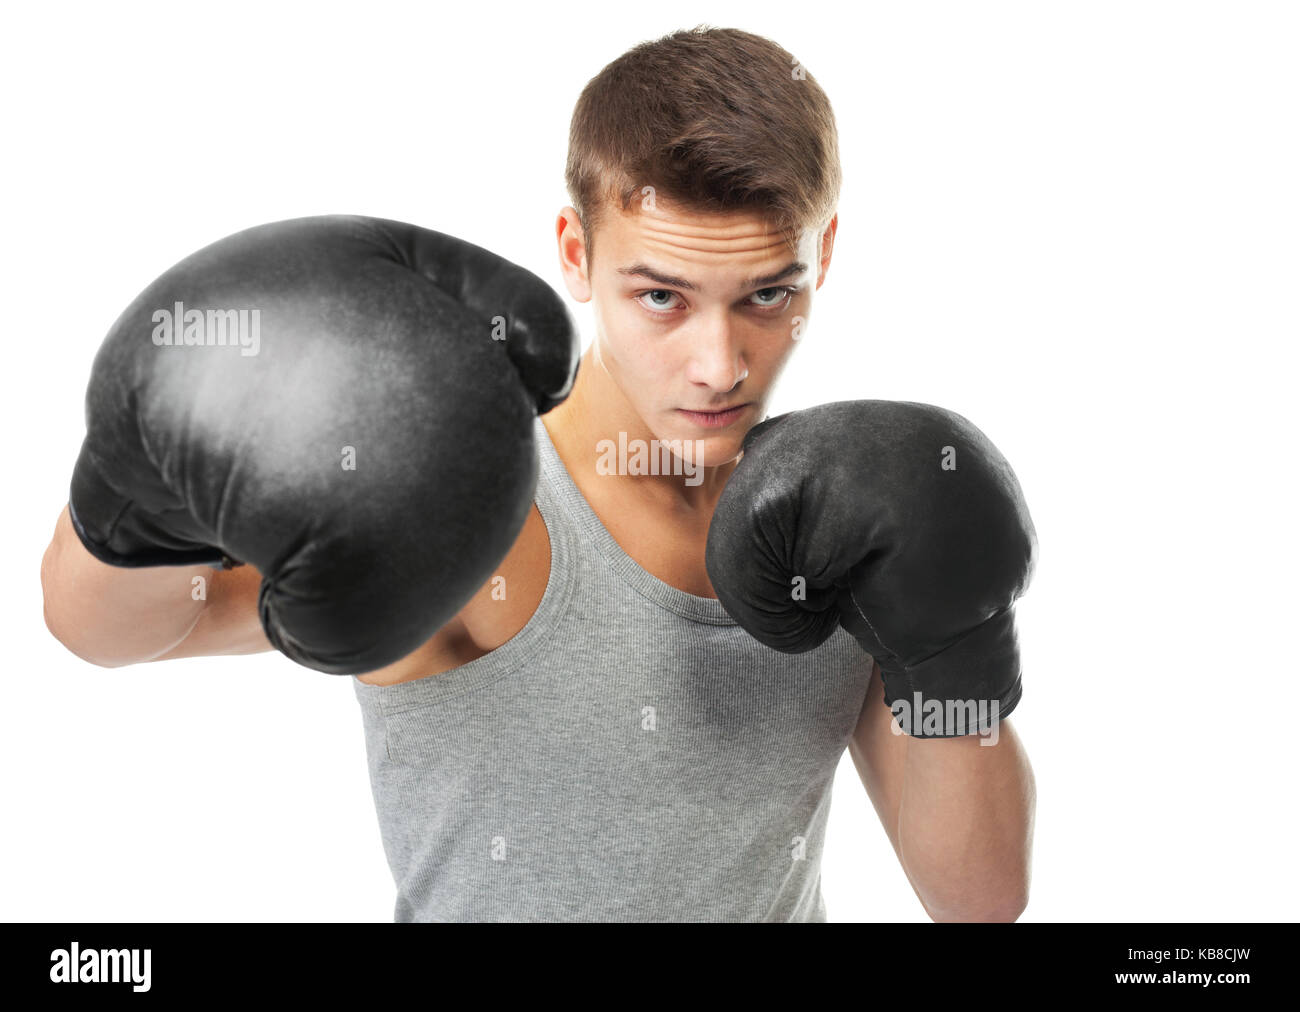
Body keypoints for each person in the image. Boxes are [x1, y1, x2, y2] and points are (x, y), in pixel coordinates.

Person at [41, 26, 1036, 922]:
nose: (718, 362)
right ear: (576, 250)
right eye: (661, 296)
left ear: (823, 254)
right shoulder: (481, 495)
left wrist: (961, 648)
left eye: (767, 294)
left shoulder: (849, 516)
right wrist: (132, 483)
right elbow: (109, 629)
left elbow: (979, 898)